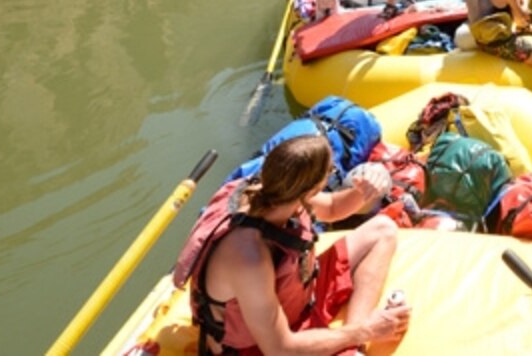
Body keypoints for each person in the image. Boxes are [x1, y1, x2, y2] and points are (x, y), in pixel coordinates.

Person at [173, 134, 410, 355]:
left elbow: (332, 207)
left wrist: (364, 191)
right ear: (311, 188)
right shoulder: (248, 258)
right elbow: (279, 349)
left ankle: (355, 344)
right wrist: (367, 330)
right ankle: (357, 337)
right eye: (330, 171)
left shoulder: (276, 191)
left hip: (297, 302)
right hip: (258, 346)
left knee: (383, 230)